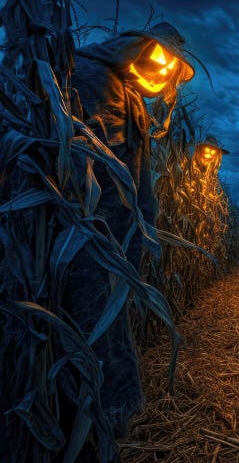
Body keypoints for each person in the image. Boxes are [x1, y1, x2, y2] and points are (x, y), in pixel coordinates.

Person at [65, 22, 195, 436]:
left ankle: (102, 426)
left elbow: (133, 186)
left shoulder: (128, 96)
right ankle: (92, 428)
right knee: (85, 334)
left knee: (101, 330)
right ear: (134, 48)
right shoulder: (91, 78)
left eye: (169, 67)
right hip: (83, 244)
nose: (161, 71)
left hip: (106, 247)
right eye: (156, 57)